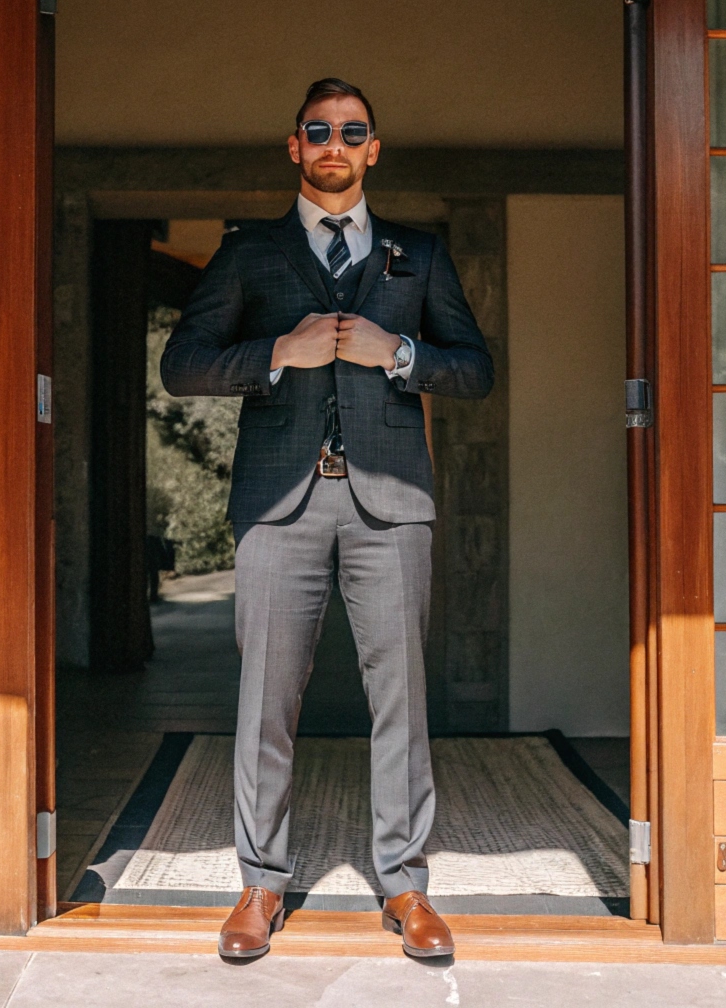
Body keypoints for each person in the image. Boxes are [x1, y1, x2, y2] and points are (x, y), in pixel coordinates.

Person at [159, 78, 494, 961]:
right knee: (266, 697)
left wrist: (402, 354)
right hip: (279, 504)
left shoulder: (418, 255)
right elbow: (182, 366)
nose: (335, 144)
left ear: (373, 148)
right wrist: (278, 352)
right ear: (295, 146)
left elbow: (475, 370)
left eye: (352, 131)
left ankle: (406, 887)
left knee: (401, 701)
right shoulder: (248, 253)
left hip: (391, 504)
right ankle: (261, 882)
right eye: (319, 131)